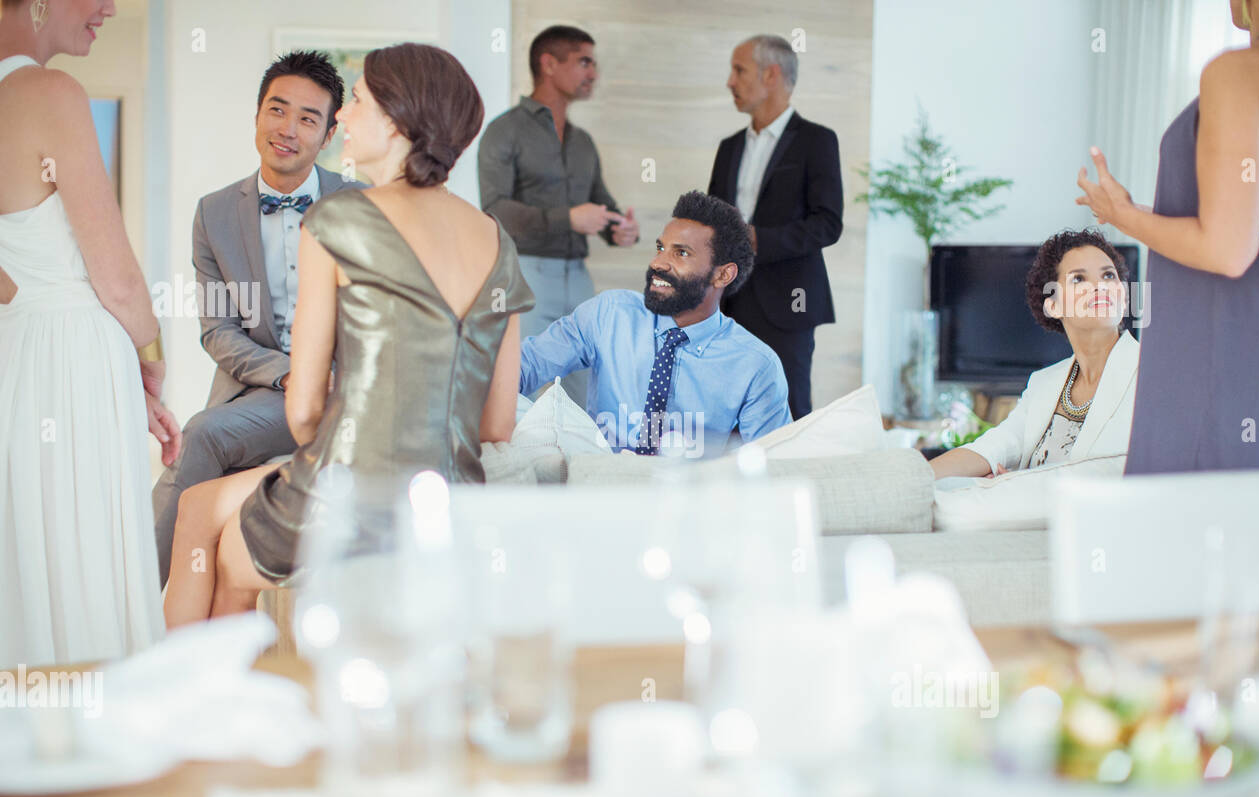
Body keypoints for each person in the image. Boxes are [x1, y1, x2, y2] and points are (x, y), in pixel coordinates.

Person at [163, 44, 534, 626]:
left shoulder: (338, 221)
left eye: (354, 101)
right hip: (452, 494)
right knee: (202, 503)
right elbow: (497, 423)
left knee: (216, 545)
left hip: (350, 487)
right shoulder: (497, 240)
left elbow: (307, 412)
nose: (340, 119)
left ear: (393, 121)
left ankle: (205, 699)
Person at [0, 0, 182, 667]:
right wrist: (150, 354)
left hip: (18, 353)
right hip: (76, 356)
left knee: (33, 551)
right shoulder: (50, 92)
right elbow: (120, 280)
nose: (109, 7)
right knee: (82, 546)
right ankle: (100, 734)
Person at [152, 50, 360, 588]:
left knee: (200, 437)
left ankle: (146, 601)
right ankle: (154, 605)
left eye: (308, 118)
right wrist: (289, 374)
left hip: (339, 392)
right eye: (277, 109)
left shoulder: (361, 205)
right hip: (259, 389)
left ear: (330, 132)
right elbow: (217, 332)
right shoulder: (214, 212)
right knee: (200, 446)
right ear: (257, 115)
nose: (287, 129)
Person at [1076, 1, 1259, 472]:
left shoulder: (1243, 73)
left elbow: (1227, 249)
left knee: (1191, 535)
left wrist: (1122, 215)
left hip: (1227, 377)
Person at [519, 191, 791, 458]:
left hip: (688, 495)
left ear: (722, 274)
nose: (658, 263)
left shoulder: (755, 365)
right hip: (602, 485)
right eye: (660, 248)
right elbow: (525, 367)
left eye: (681, 253)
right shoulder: (609, 314)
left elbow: (776, 466)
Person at [477, 24, 639, 405]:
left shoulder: (583, 141)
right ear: (549, 64)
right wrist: (569, 219)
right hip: (526, 275)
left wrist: (619, 228)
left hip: (579, 279)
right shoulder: (504, 131)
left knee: (586, 389)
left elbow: (600, 203)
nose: (593, 73)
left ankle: (583, 465)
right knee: (523, 387)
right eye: (584, 62)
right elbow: (494, 210)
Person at [930, 230, 1140, 479]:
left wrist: (1017, 481)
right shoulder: (1043, 384)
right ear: (1052, 305)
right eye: (1079, 279)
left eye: (1108, 275)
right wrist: (911, 479)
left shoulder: (1153, 375)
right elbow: (990, 449)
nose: (1100, 286)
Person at [707, 34, 843, 420]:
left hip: (791, 302)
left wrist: (756, 239)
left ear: (771, 75)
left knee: (789, 412)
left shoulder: (817, 141)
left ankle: (794, 483)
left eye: (739, 70)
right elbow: (712, 221)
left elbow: (828, 224)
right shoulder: (729, 146)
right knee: (724, 412)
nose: (730, 81)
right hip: (728, 302)